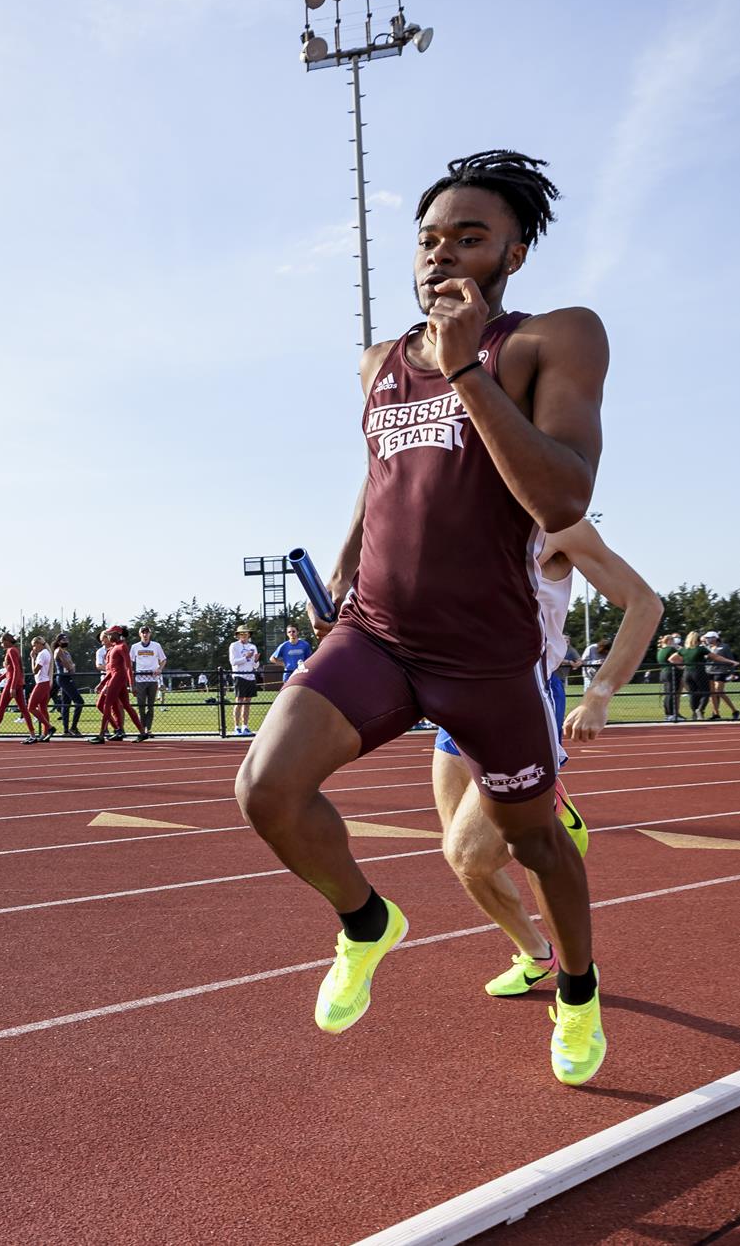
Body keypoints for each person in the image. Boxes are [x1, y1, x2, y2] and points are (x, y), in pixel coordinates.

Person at [235, 151, 611, 1084]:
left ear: (513, 256)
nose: (442, 254)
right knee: (266, 788)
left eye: (470, 238)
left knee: (533, 840)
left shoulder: (555, 337)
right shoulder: (376, 363)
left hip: (486, 652)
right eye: (430, 238)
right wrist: (341, 571)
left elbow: (564, 494)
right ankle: (367, 922)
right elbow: (383, 480)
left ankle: (577, 989)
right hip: (378, 632)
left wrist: (467, 369)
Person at [435, 516, 659, 1000]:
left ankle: (549, 808)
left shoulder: (557, 526)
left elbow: (645, 603)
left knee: (473, 852)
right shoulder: (450, 519)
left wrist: (599, 694)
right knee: (466, 862)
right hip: (454, 702)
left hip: (521, 700)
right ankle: (537, 954)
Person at [91, 624, 146, 744]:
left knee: (107, 705)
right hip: (117, 679)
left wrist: (132, 685)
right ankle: (141, 732)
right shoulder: (115, 647)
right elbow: (111, 671)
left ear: (117, 634)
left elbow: (128, 667)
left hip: (117, 680)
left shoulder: (122, 647)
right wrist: (102, 683)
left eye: (110, 634)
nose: (108, 637)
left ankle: (101, 735)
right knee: (126, 705)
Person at [129, 626, 166, 737]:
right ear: (140, 634)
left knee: (150, 705)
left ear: (150, 634)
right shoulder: (135, 647)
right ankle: (142, 729)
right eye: (143, 633)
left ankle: (148, 729)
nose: (145, 635)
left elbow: (163, 659)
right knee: (141, 705)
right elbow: (130, 661)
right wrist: (131, 672)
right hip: (140, 679)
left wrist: (159, 669)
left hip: (153, 678)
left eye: (147, 633)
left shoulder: (156, 646)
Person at [701, 632, 740, 720]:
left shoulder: (724, 646)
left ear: (715, 638)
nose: (707, 639)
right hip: (709, 671)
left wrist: (732, 672)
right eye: (707, 638)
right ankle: (716, 714)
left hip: (721, 671)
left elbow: (730, 659)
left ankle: (735, 711)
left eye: (709, 638)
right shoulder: (706, 647)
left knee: (718, 691)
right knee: (712, 693)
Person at [228, 625, 261, 736]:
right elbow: (233, 662)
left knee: (247, 702)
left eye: (246, 633)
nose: (244, 635)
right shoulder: (234, 645)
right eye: (241, 633)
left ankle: (245, 727)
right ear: (237, 635)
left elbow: (255, 666)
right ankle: (236, 727)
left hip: (250, 676)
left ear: (249, 635)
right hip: (239, 675)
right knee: (239, 701)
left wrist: (256, 660)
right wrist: (246, 657)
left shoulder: (253, 646)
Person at [24, 634, 55, 743]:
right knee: (43, 708)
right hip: (45, 682)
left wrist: (32, 659)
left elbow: (35, 671)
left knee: (31, 707)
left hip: (42, 683)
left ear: (39, 644)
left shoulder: (42, 654)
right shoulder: (46, 653)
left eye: (34, 645)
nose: (33, 648)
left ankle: (49, 727)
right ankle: (45, 734)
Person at [51, 635, 85, 737]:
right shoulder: (58, 651)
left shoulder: (66, 652)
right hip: (63, 678)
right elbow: (68, 666)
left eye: (67, 639)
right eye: (63, 640)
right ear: (58, 641)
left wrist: (71, 666)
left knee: (66, 703)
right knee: (79, 701)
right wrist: (71, 666)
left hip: (68, 678)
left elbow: (72, 667)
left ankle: (66, 730)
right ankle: (73, 727)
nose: (66, 641)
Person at [270, 623, 314, 688]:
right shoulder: (283, 646)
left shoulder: (305, 645)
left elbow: (310, 659)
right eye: (289, 632)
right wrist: (284, 664)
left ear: (297, 632)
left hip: (301, 673)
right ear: (287, 634)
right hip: (288, 674)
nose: (291, 633)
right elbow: (272, 659)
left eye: (293, 631)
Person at [656, 633, 685, 721]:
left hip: (663, 673)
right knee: (672, 694)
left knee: (668, 694)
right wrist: (682, 666)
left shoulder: (660, 650)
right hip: (671, 673)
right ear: (669, 641)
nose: (674, 641)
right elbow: (678, 659)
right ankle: (672, 714)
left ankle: (668, 714)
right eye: (672, 640)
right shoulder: (670, 649)